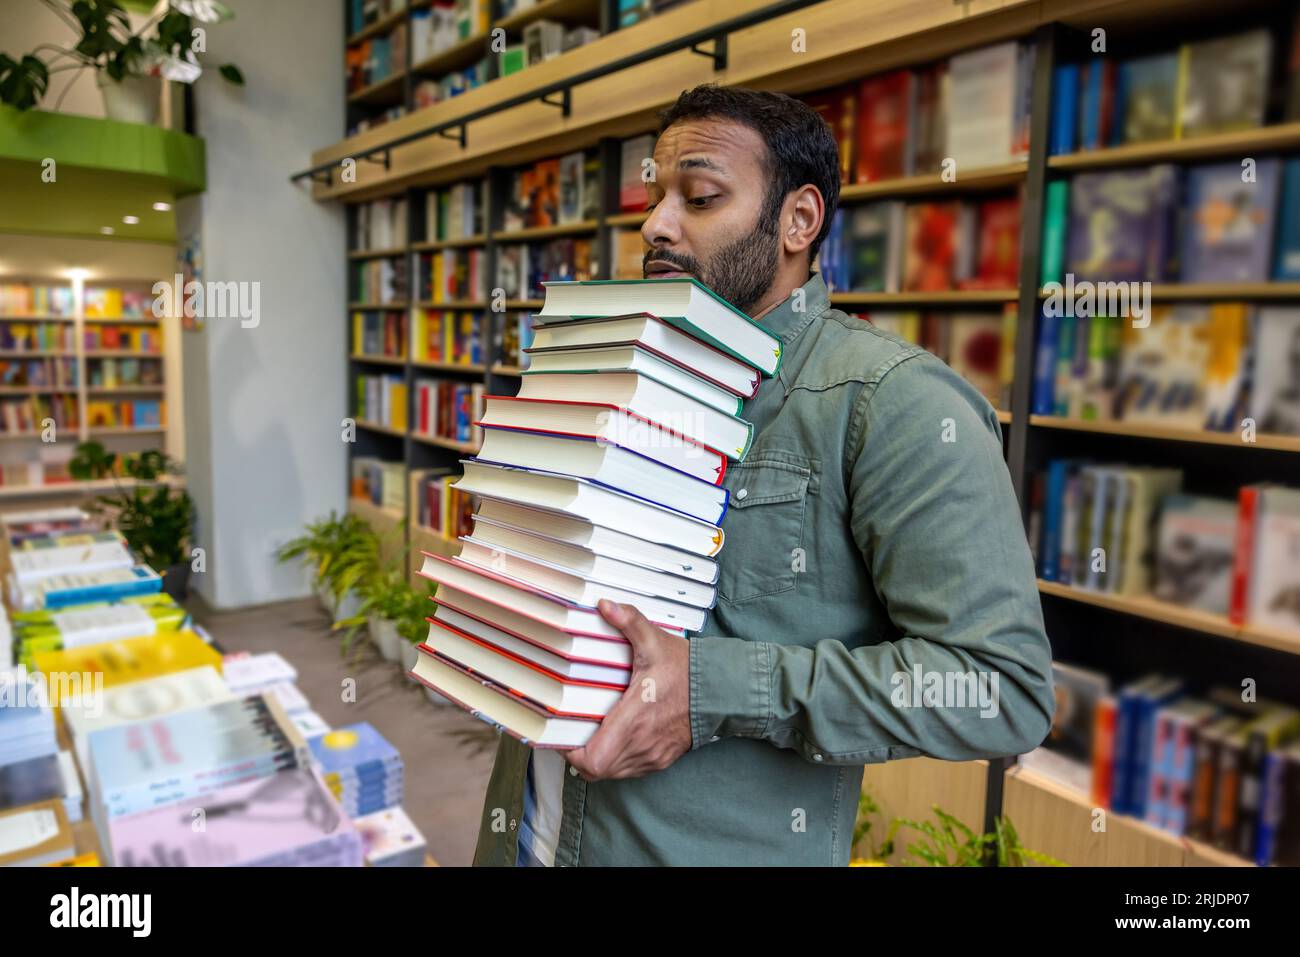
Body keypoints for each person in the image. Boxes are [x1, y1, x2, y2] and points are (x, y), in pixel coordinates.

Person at [474, 83, 1055, 867]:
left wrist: (715, 688)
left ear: (798, 220)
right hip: (521, 832)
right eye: (655, 195)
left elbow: (999, 687)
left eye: (700, 196)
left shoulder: (894, 403)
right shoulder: (613, 365)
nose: (655, 224)